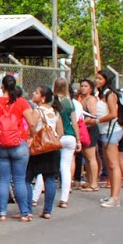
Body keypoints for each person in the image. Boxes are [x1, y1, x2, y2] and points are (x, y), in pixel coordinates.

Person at [0, 75, 32, 221]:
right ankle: (24, 213)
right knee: (19, 179)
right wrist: (31, 136)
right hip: (19, 143)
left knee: (4, 179)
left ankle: (2, 213)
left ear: (2, 86)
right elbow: (31, 122)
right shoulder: (22, 102)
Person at [26, 86, 62, 219]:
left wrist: (31, 137)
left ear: (43, 98)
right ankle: (47, 210)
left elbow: (31, 126)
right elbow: (60, 131)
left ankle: (28, 209)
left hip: (38, 149)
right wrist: (53, 140)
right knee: (50, 179)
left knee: (26, 179)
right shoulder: (55, 112)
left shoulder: (37, 111)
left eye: (36, 93)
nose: (33, 94)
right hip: (52, 149)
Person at [96, 71, 123, 207]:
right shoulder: (103, 94)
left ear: (106, 80)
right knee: (109, 165)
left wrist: (97, 120)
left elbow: (113, 114)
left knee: (113, 165)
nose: (97, 80)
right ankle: (112, 195)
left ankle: (115, 198)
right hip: (105, 131)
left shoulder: (109, 94)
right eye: (96, 78)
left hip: (111, 131)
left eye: (100, 78)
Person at [51, 79, 78, 209]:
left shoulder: (53, 101)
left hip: (57, 136)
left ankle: (35, 196)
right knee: (65, 167)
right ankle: (64, 198)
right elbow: (75, 122)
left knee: (48, 166)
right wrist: (78, 139)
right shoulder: (69, 102)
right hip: (70, 136)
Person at [76, 78, 104, 192]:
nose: (83, 88)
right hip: (83, 129)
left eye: (86, 86)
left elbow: (93, 115)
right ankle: (88, 180)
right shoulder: (81, 99)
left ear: (90, 88)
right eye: (82, 86)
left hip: (90, 129)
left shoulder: (91, 99)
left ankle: (94, 183)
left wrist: (81, 122)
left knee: (91, 157)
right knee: (86, 157)